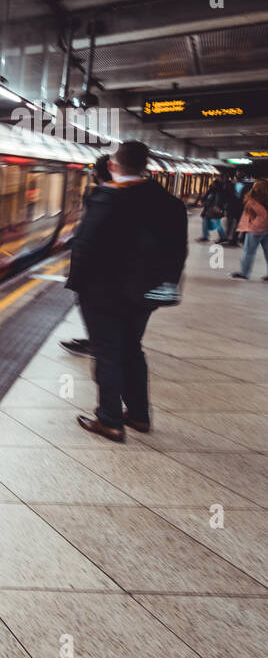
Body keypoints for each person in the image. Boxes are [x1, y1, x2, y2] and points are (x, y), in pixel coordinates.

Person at [66, 140, 187, 442]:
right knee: (132, 350)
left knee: (106, 353)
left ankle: (109, 420)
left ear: (112, 165)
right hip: (145, 295)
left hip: (103, 294)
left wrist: (78, 285)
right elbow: (178, 252)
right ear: (145, 167)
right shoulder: (170, 203)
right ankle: (138, 415)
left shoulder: (106, 199)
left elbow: (83, 246)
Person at [59, 154, 112, 358]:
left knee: (95, 311)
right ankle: (99, 342)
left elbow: (88, 240)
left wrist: (75, 274)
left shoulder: (102, 199)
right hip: (124, 280)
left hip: (100, 276)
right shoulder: (148, 197)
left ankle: (99, 345)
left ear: (97, 174)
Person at [231, 178, 268, 280]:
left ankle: (244, 273)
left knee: (249, 252)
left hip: (256, 230)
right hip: (266, 230)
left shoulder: (253, 201)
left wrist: (251, 228)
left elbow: (255, 217)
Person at [197, 178, 227, 243]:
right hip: (208, 210)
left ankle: (223, 237)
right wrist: (203, 202)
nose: (212, 185)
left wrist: (205, 203)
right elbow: (207, 199)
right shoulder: (211, 191)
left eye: (214, 184)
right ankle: (205, 236)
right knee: (205, 222)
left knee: (217, 224)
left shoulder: (219, 192)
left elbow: (215, 202)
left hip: (214, 211)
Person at [223, 175, 244, 248]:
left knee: (234, 224)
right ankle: (230, 239)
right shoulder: (231, 185)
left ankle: (231, 239)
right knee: (232, 223)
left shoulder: (244, 186)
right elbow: (226, 195)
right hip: (234, 207)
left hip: (237, 207)